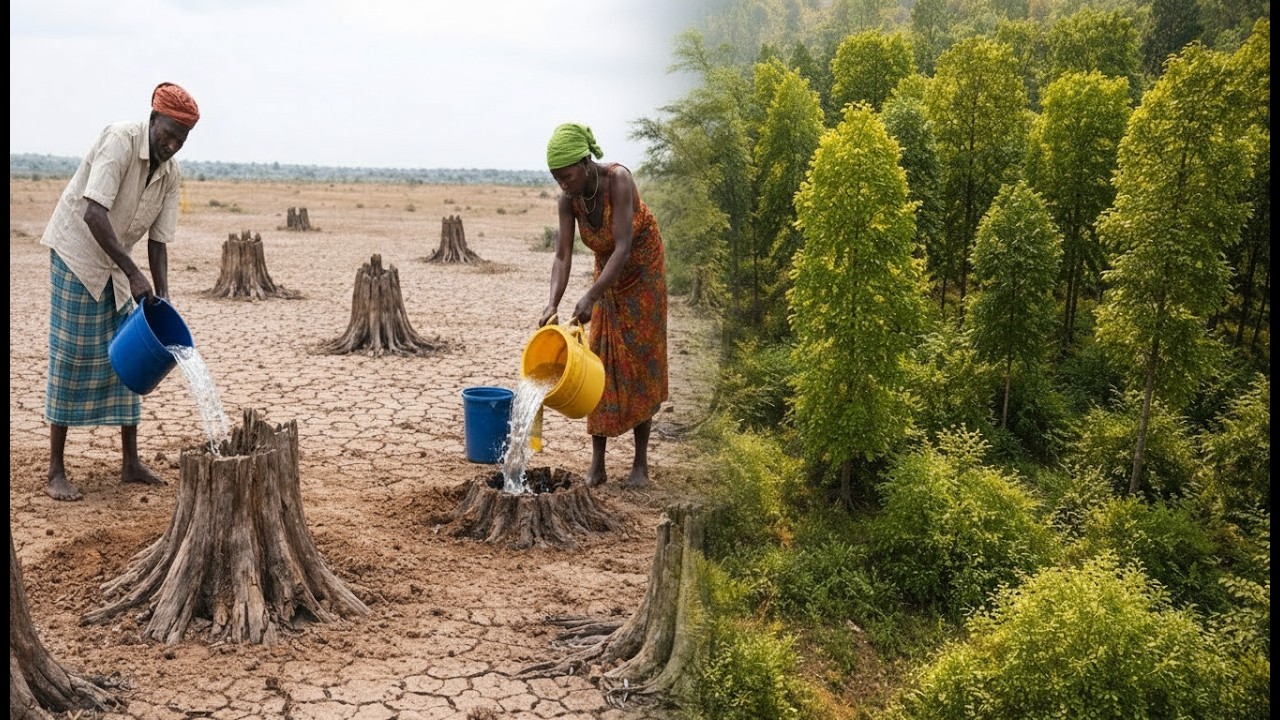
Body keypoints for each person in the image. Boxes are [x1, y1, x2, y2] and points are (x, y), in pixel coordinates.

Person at [40, 82, 200, 501]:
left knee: (132, 359)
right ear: (152, 120)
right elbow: (94, 212)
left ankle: (130, 463)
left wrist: (161, 296)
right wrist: (133, 273)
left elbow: (159, 240)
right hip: (78, 254)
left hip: (117, 264)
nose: (172, 144)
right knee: (71, 355)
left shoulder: (170, 173)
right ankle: (56, 470)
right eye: (168, 133)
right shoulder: (121, 140)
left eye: (181, 140)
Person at [540, 122, 668, 488]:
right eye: (556, 178)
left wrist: (591, 296)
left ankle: (640, 464)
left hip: (642, 272)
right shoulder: (569, 200)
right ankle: (598, 463)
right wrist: (553, 303)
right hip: (607, 274)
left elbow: (624, 247)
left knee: (641, 360)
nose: (562, 184)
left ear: (584, 162)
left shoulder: (619, 181)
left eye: (566, 176)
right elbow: (562, 255)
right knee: (598, 358)